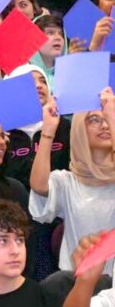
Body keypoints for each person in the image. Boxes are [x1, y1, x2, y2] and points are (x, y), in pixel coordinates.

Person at [29, 88, 115, 272]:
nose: (104, 125)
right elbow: (39, 186)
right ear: (78, 129)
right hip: (75, 280)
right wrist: (48, 132)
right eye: (94, 119)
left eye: (107, 118)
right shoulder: (67, 181)